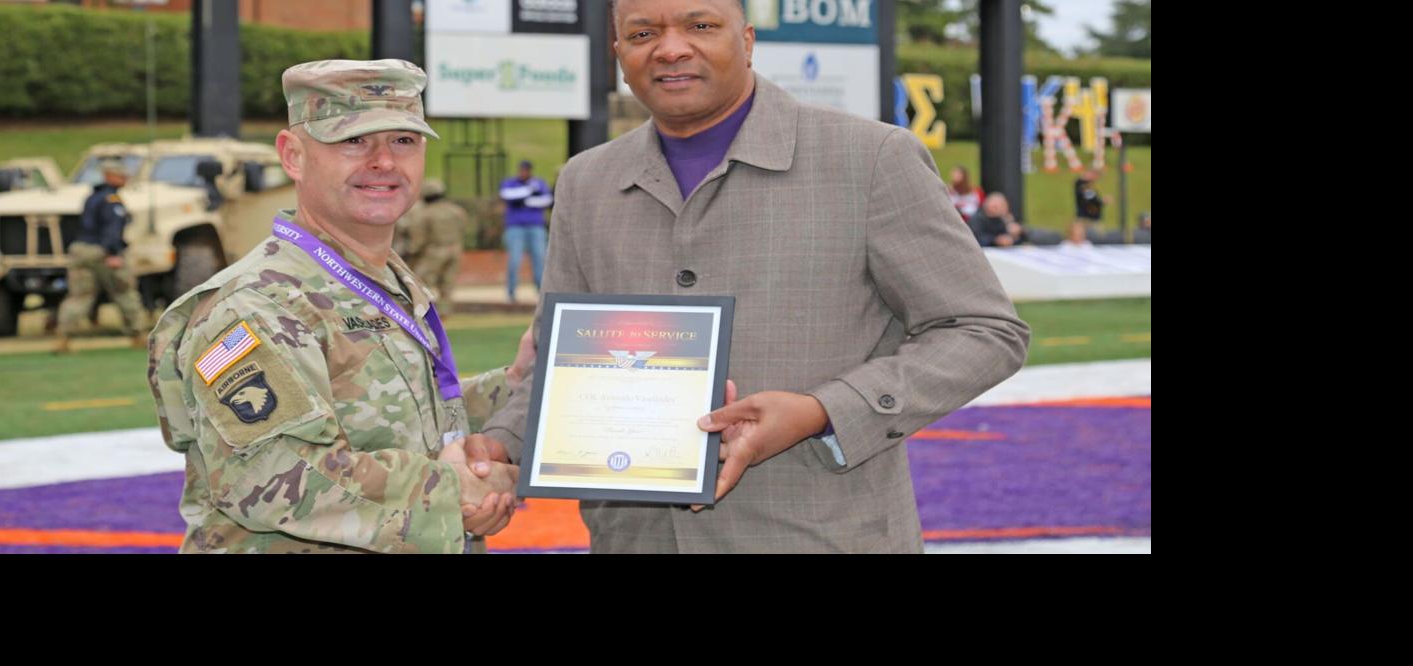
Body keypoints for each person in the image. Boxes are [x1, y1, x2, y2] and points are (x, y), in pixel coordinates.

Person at [467, 0, 1029, 553]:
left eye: (701, 26)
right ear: (618, 52)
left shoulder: (872, 157)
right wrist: (497, 446)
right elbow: (558, 359)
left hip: (822, 536)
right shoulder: (587, 180)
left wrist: (823, 412)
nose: (670, 48)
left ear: (748, 40)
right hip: (633, 538)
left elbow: (982, 330)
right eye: (642, 35)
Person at [145, 59, 525, 553]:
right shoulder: (253, 304)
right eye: (353, 140)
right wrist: (453, 490)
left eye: (403, 140)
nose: (384, 161)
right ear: (294, 156)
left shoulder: (383, 279)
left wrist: (515, 385)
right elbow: (272, 476)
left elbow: (401, 414)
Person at [55, 161, 151, 353]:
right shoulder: (112, 200)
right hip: (103, 251)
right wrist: (114, 253)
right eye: (120, 174)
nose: (125, 178)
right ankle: (138, 335)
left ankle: (63, 337)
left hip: (80, 250)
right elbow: (112, 229)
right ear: (108, 176)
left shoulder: (92, 197)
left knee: (79, 296)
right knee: (124, 292)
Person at [397, 178, 469, 310]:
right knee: (447, 283)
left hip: (434, 251)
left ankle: (424, 311)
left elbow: (418, 237)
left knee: (421, 282)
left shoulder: (425, 213)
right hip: (455, 249)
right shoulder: (456, 210)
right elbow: (464, 228)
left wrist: (411, 251)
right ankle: (445, 312)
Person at [499, 159, 552, 303]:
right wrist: (528, 191)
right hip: (515, 227)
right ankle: (511, 293)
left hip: (536, 226)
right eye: (522, 170)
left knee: (539, 259)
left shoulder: (539, 183)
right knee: (515, 260)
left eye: (526, 170)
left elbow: (546, 200)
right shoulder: (510, 183)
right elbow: (507, 195)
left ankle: (541, 293)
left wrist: (526, 200)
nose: (524, 172)